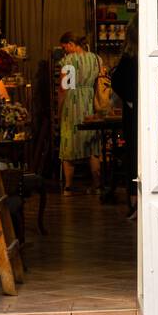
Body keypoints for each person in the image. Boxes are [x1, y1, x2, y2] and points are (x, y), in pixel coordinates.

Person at [57, 32, 102, 194]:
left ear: (70, 44)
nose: (65, 51)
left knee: (68, 144)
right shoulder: (96, 59)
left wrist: (59, 109)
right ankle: (97, 186)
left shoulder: (69, 61)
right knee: (93, 147)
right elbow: (99, 83)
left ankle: (68, 187)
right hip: (90, 104)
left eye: (65, 47)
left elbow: (64, 87)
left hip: (72, 105)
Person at [109, 18, 138, 217]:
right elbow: (117, 81)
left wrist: (130, 101)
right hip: (138, 112)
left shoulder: (128, 56)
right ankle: (136, 202)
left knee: (133, 157)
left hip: (132, 114)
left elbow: (116, 81)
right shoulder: (134, 57)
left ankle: (134, 201)